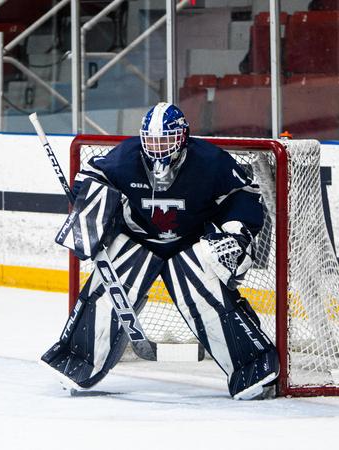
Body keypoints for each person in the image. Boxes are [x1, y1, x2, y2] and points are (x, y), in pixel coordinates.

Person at [41, 102, 280, 400]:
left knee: (204, 296)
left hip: (189, 243)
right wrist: (90, 206)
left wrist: (236, 229)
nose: (158, 148)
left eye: (166, 140)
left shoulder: (208, 160)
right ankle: (80, 361)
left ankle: (252, 367)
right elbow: (92, 176)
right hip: (138, 240)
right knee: (107, 291)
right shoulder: (127, 157)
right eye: (152, 140)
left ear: (183, 137)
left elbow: (243, 192)